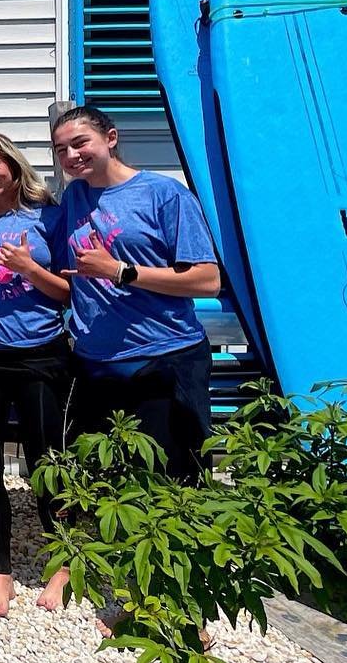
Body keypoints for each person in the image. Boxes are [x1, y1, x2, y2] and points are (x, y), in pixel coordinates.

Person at [48, 106, 220, 479]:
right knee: (105, 482)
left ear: (110, 138)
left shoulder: (164, 194)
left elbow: (207, 280)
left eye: (80, 143)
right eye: (61, 150)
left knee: (172, 480)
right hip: (96, 363)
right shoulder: (75, 196)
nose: (71, 155)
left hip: (163, 358)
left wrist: (120, 271)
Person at [0, 128, 73, 616]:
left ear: (11, 162)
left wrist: (29, 269)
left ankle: (64, 560)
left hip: (40, 353)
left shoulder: (49, 215)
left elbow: (71, 292)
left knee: (49, 461)